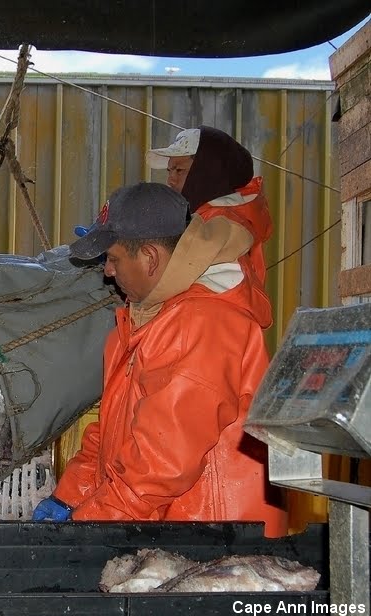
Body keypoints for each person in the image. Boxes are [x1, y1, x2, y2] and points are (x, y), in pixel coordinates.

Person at [34, 182, 288, 537]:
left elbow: (161, 463)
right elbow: (114, 430)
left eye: (114, 258)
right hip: (176, 533)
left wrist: (87, 529)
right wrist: (68, 496)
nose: (107, 271)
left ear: (150, 258)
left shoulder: (201, 323)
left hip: (216, 544)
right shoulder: (147, 318)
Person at [146, 125, 272, 289]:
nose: (170, 180)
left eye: (179, 170)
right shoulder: (231, 212)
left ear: (206, 172)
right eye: (169, 171)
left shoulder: (219, 224)